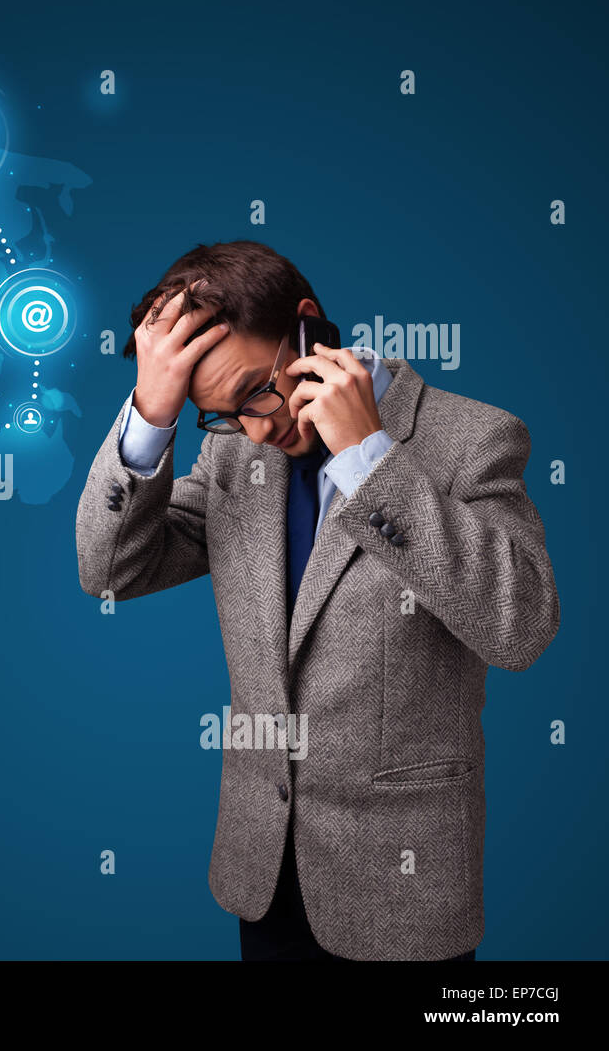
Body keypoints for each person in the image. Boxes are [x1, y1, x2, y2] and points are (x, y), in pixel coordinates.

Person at [75, 240, 559, 961]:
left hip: (404, 886)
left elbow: (521, 626)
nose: (259, 429)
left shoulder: (472, 438)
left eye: (254, 395)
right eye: (223, 414)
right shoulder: (236, 455)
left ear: (310, 328)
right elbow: (111, 569)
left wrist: (370, 460)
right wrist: (153, 413)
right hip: (261, 875)